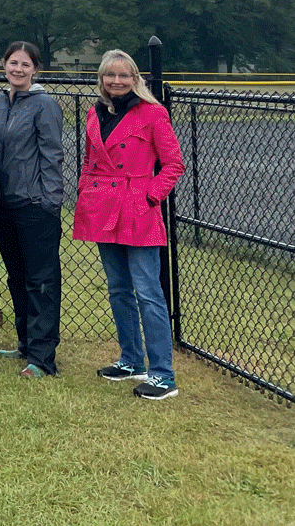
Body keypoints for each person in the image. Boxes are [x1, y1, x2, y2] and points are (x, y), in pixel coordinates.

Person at [73, 50, 185, 401]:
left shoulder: (153, 113)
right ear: (102, 79)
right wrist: (85, 188)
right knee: (118, 288)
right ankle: (131, 360)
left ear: (135, 79)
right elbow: (90, 159)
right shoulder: (95, 112)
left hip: (137, 210)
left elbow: (173, 165)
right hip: (104, 208)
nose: (117, 81)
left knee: (148, 292)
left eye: (124, 76)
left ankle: (163, 375)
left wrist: (148, 196)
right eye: (110, 75)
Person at [0, 40, 65, 379]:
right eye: (12, 63)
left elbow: (52, 154)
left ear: (35, 69)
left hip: (35, 206)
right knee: (17, 277)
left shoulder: (43, 104)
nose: (17, 69)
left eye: (24, 64)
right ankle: (25, 342)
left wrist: (50, 201)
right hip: (3, 205)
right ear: (4, 65)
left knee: (41, 281)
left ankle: (43, 358)